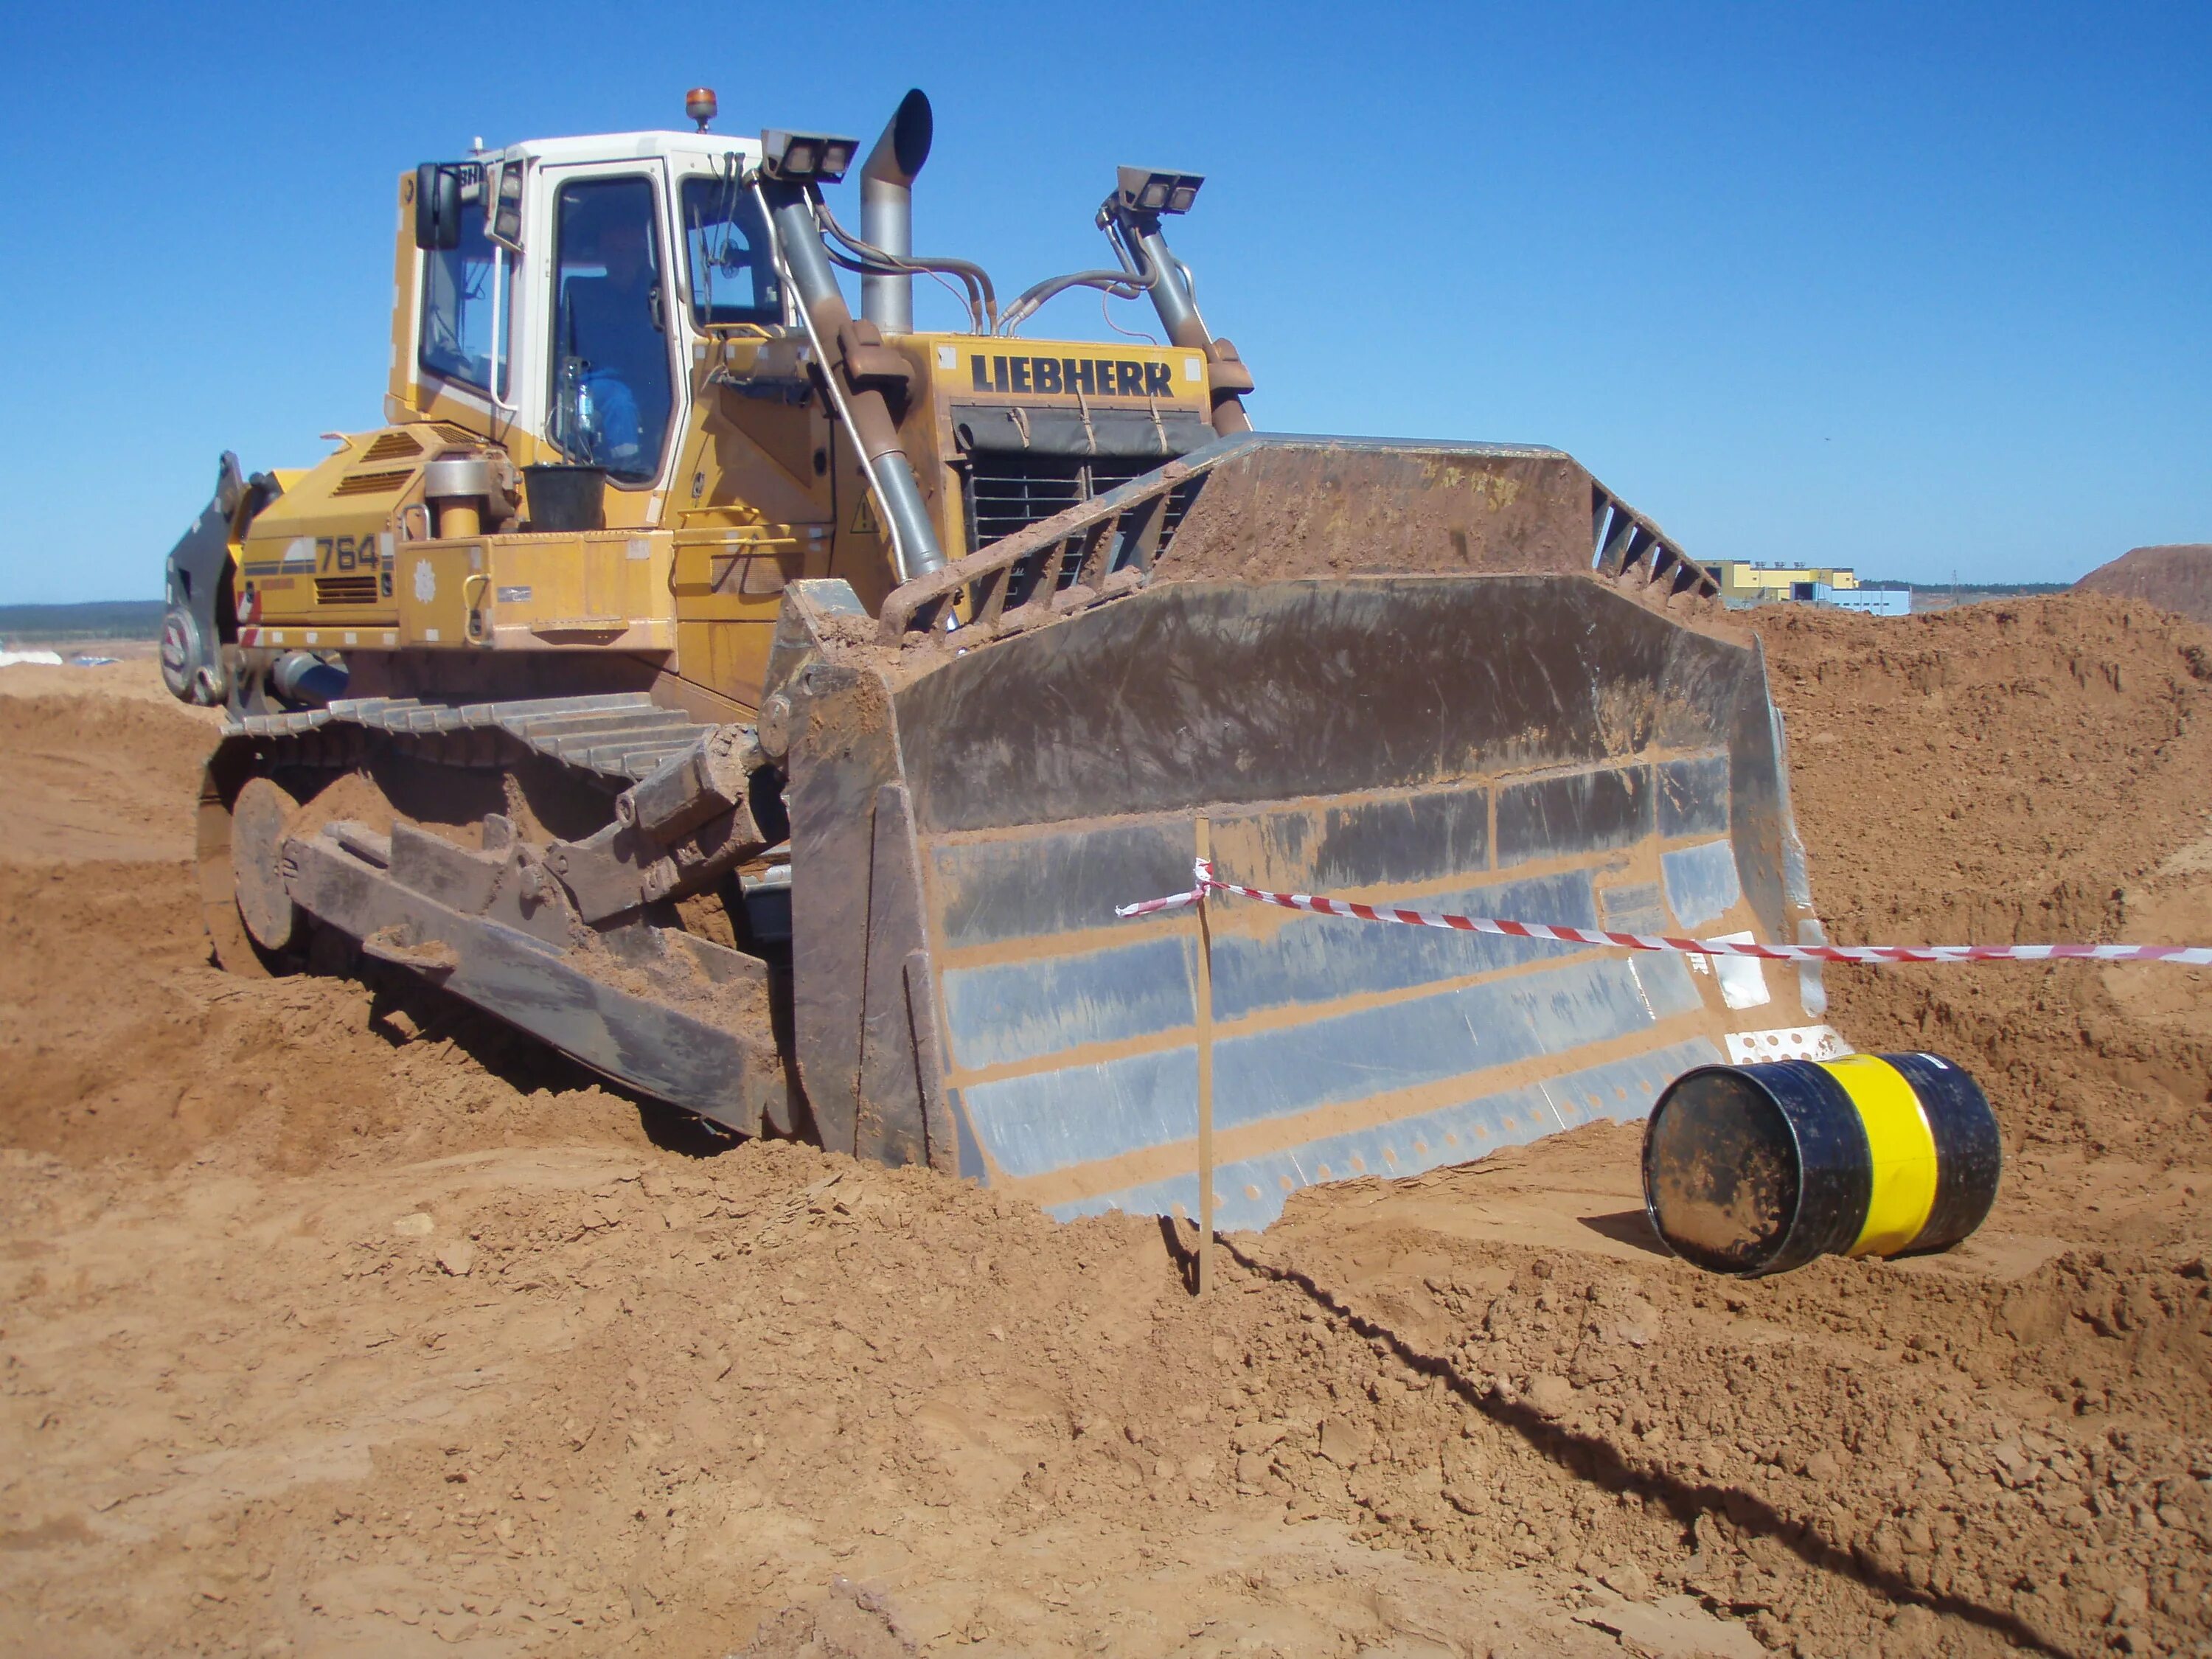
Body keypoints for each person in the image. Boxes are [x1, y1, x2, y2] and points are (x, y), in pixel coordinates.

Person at [555, 198, 671, 474]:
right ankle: (628, 466)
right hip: (595, 379)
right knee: (620, 401)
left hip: (646, 379)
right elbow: (562, 346)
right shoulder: (584, 297)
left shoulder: (656, 294)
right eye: (617, 252)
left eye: (631, 252)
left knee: (670, 400)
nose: (623, 259)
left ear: (642, 254)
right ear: (604, 255)